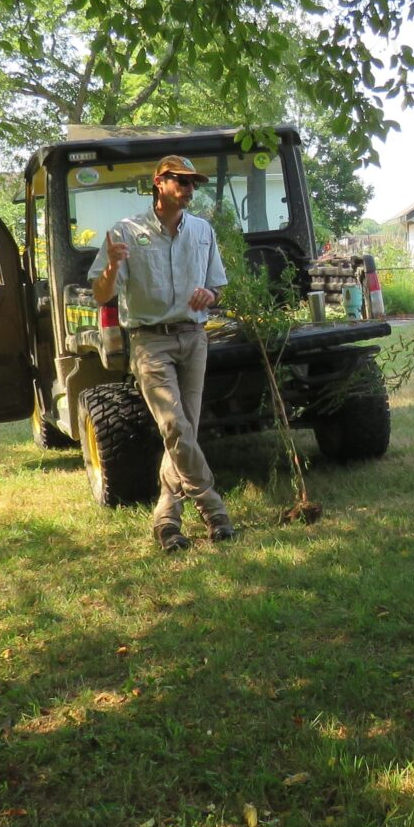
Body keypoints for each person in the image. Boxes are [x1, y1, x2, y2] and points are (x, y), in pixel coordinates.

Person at [93, 156, 236, 553]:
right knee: (174, 425)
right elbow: (101, 294)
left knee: (184, 430)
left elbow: (217, 286)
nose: (189, 189)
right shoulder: (125, 231)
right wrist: (111, 267)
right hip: (150, 341)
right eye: (181, 181)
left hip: (194, 338)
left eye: (193, 183)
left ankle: (167, 520)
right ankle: (213, 508)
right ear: (159, 182)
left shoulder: (203, 231)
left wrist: (209, 294)